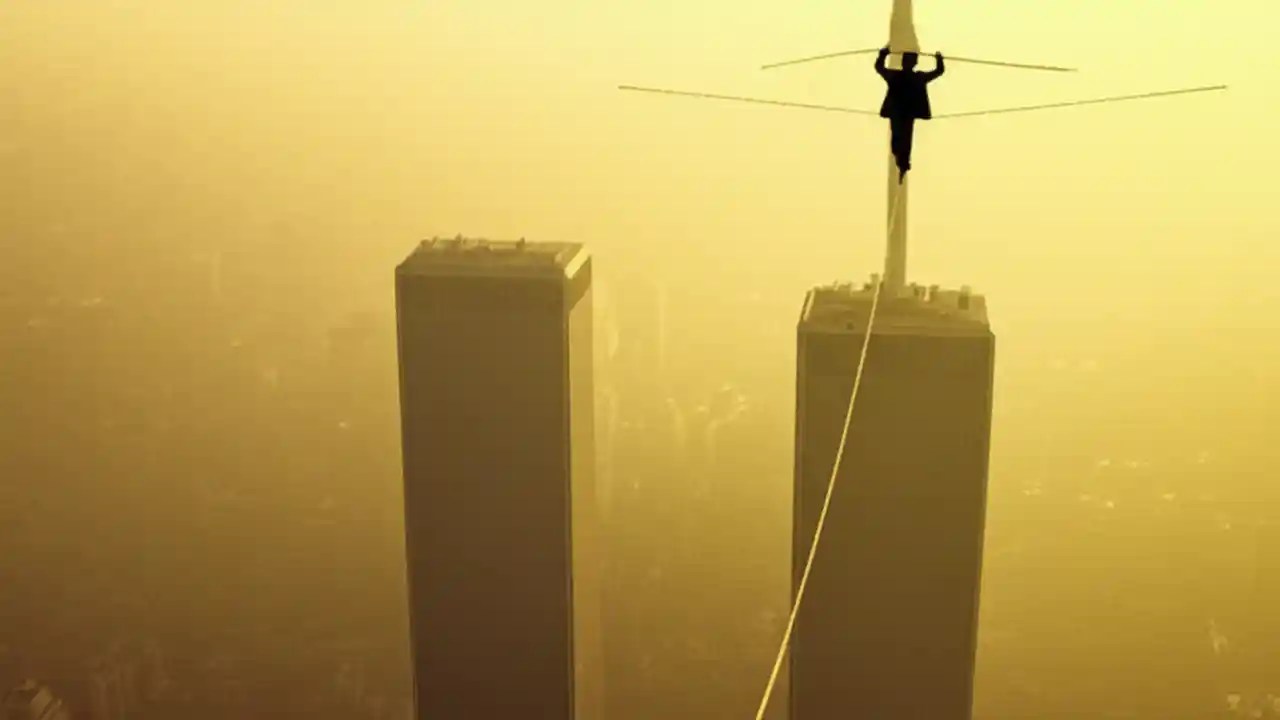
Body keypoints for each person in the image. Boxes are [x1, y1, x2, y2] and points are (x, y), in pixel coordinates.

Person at [875, 47, 945, 183]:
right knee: (902, 140)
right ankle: (902, 164)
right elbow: (939, 71)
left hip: (902, 113)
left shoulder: (903, 77)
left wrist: (883, 55)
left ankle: (902, 164)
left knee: (901, 139)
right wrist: (939, 60)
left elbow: (879, 68)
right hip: (903, 113)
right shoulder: (914, 77)